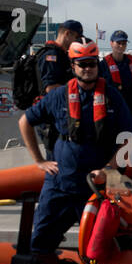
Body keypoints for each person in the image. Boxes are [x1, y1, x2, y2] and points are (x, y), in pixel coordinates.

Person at [19, 40, 132, 264]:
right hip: (60, 183)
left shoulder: (113, 97)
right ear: (73, 67)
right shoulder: (58, 96)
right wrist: (39, 161)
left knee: (103, 244)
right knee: (41, 240)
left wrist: (109, 169)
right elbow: (25, 121)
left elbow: (128, 138)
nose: (87, 68)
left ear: (97, 65)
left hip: (97, 186)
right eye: (81, 64)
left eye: (91, 63)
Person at [33, 19, 84, 159]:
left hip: (60, 115)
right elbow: (50, 88)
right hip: (51, 118)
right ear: (67, 34)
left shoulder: (61, 55)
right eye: (76, 38)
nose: (77, 42)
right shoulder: (52, 56)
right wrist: (79, 91)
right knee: (56, 160)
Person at [100, 30, 132, 127]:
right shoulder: (103, 66)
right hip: (114, 115)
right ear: (111, 43)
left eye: (124, 43)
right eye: (118, 43)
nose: (121, 46)